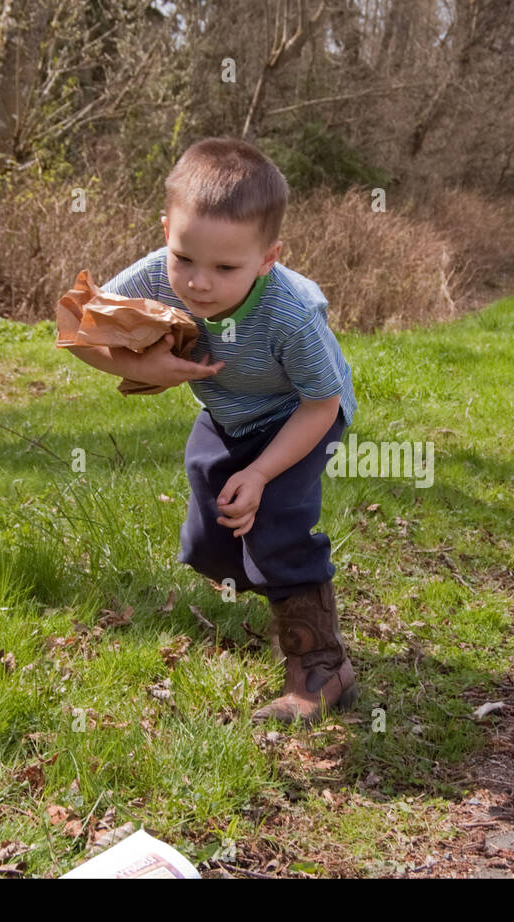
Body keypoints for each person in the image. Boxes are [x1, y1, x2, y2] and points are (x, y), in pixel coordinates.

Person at [63, 137, 359, 724]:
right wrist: (139, 367)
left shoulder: (290, 313)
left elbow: (320, 405)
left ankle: (321, 670)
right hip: (227, 415)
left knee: (276, 527)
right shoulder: (156, 273)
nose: (198, 283)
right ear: (166, 228)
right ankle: (271, 589)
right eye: (184, 258)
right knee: (208, 546)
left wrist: (259, 473)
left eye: (226, 268)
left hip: (298, 417)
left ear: (268, 257)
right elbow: (74, 323)